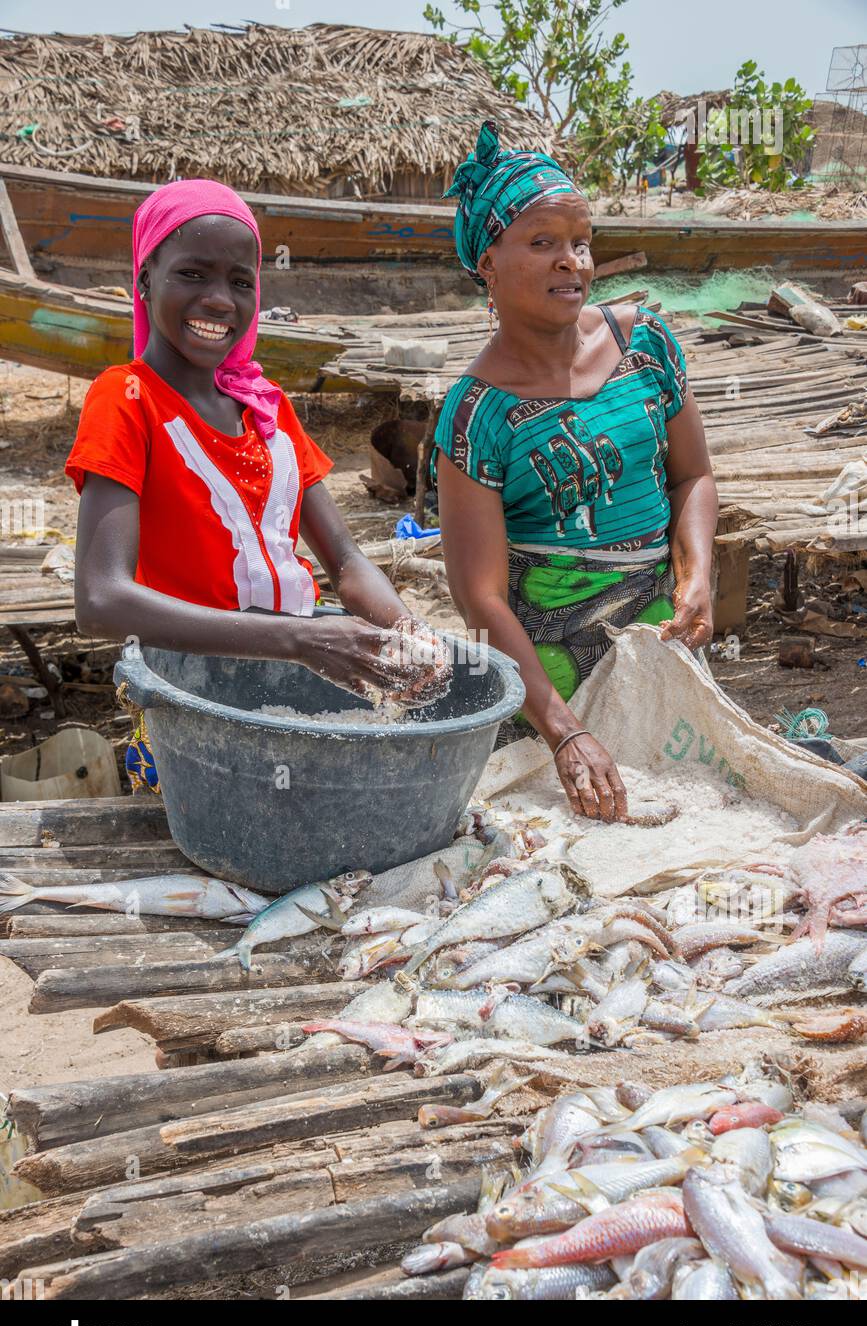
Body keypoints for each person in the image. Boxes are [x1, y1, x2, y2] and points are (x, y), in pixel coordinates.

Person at [67, 179, 445, 787]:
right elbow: (101, 600)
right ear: (144, 279)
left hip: (290, 682)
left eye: (241, 282)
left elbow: (346, 561)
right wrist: (302, 640)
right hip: (191, 697)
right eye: (193, 274)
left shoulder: (265, 408)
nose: (220, 300)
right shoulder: (128, 399)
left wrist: (409, 634)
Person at [432, 122, 718, 823]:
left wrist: (697, 574)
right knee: (559, 845)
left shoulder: (644, 346)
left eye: (580, 242)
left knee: (688, 818)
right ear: (486, 264)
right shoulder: (476, 416)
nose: (573, 262)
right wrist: (564, 732)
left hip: (657, 651)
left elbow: (692, 477)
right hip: (544, 681)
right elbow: (481, 602)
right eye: (542, 243)